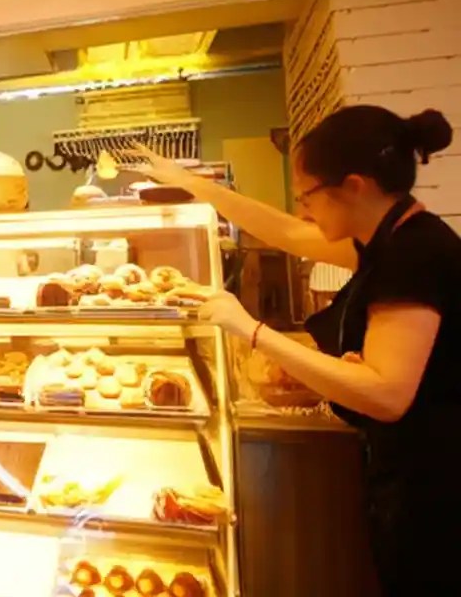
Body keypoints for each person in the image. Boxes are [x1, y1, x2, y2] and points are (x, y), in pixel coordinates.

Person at [134, 105, 460, 593]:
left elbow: (387, 394)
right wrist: (194, 185)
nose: (303, 209)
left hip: (437, 490)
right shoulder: (387, 239)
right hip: (411, 475)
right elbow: (286, 232)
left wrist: (251, 329)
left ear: (354, 186)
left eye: (308, 195)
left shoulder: (413, 253)